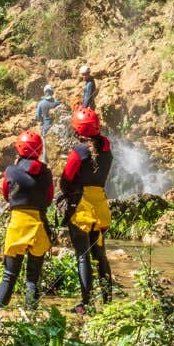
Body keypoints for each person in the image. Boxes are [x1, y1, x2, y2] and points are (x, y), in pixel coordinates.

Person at [57, 106, 113, 311]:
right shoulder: (106, 149)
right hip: (100, 206)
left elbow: (66, 179)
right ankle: (108, 302)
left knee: (83, 255)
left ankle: (86, 304)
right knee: (100, 255)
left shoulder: (79, 151)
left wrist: (66, 193)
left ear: (78, 130)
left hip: (81, 208)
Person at [0, 130, 54, 310]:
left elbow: (6, 193)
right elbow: (49, 198)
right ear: (39, 149)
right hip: (38, 226)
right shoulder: (46, 172)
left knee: (9, 274)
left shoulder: (11, 171)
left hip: (17, 226)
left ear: (19, 148)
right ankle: (31, 315)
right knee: (32, 278)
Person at [34, 82, 58, 152]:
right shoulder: (57, 102)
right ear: (52, 92)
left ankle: (44, 159)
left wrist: (42, 120)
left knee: (45, 148)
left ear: (45, 92)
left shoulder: (40, 103)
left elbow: (38, 117)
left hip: (46, 127)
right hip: (56, 127)